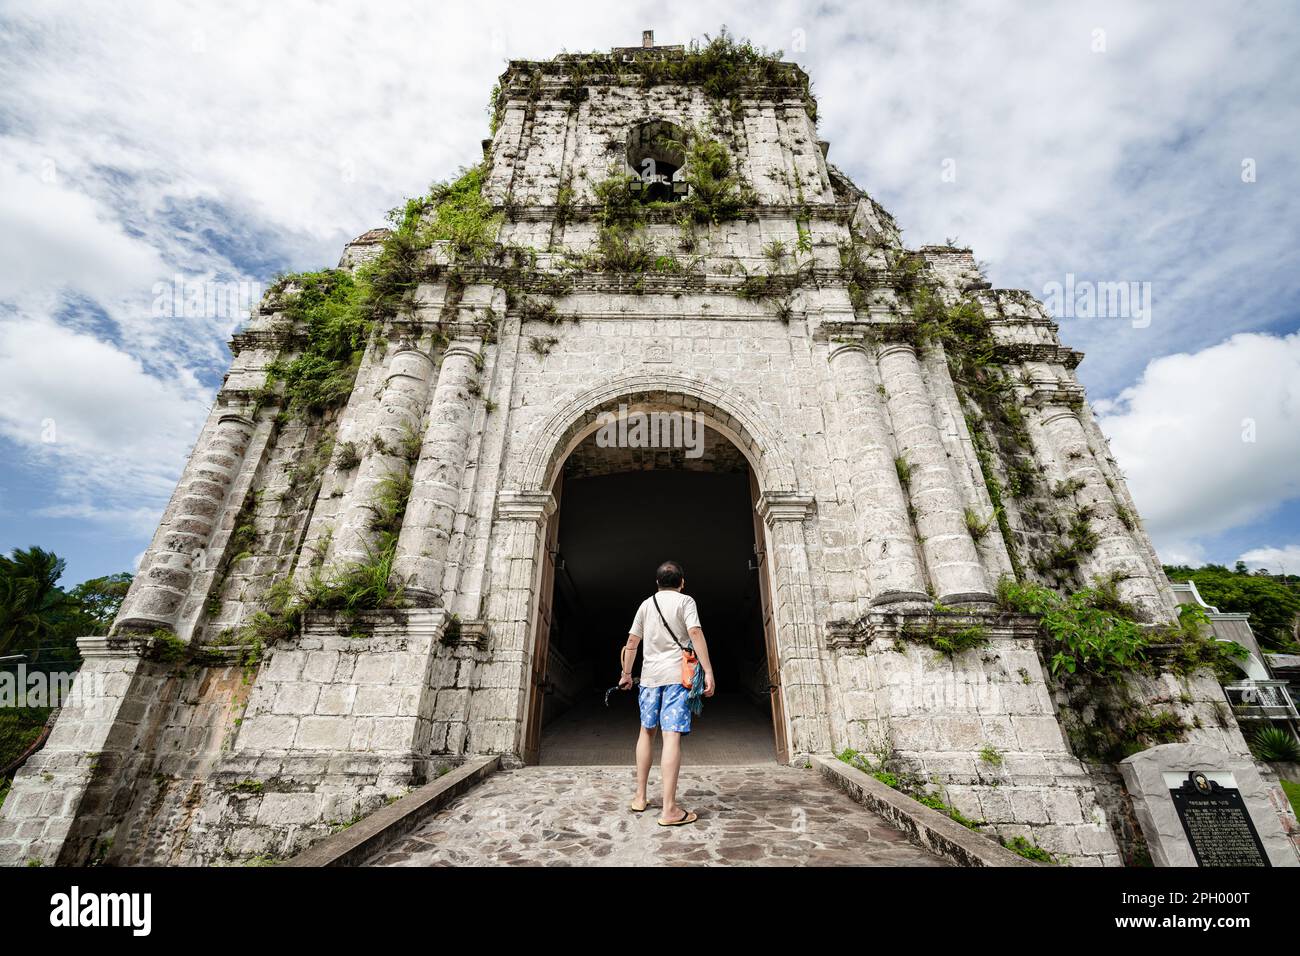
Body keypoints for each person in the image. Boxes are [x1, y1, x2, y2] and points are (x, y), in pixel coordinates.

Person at [618, 559, 715, 826]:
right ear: (682, 582)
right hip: (677, 678)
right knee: (671, 737)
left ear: (657, 582)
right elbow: (695, 632)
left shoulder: (646, 604)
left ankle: (640, 797)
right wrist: (708, 670)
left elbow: (632, 642)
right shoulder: (686, 602)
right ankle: (669, 809)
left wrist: (626, 674)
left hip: (649, 679)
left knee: (646, 732)